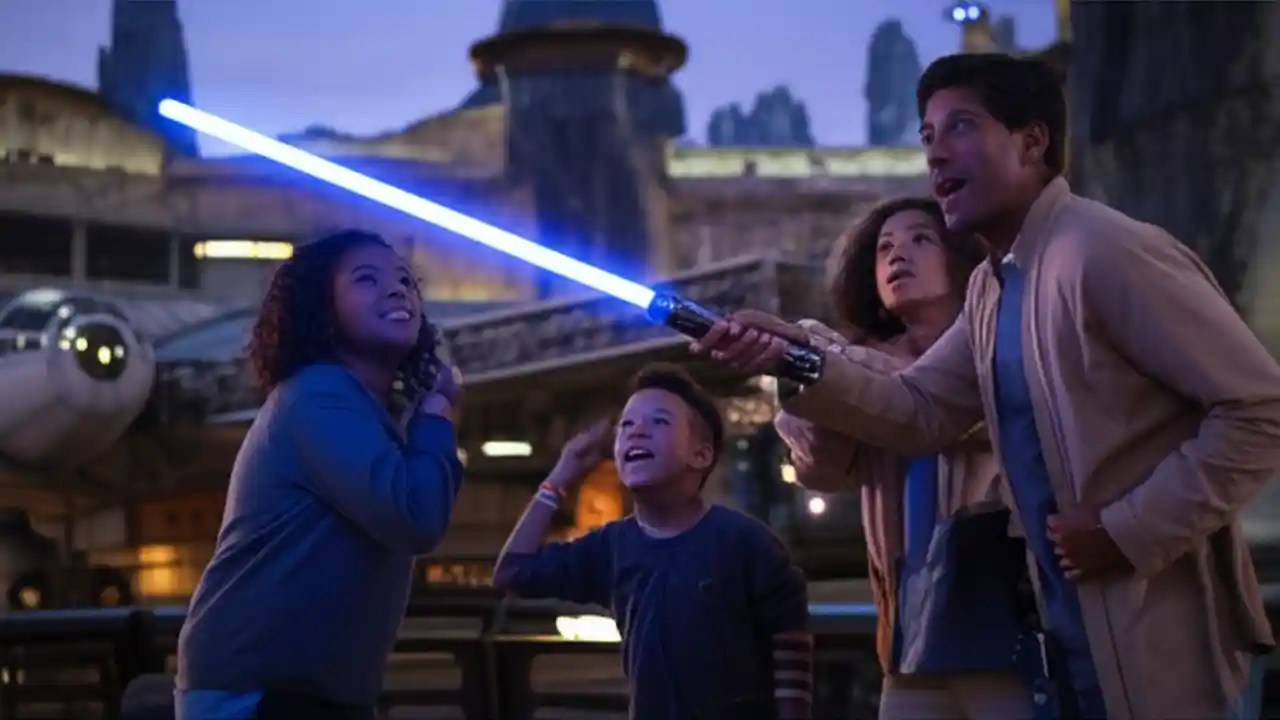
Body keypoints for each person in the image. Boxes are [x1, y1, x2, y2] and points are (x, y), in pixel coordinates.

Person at [692, 53, 1280, 720]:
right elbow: (917, 411)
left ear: (1033, 141)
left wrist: (1128, 529)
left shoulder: (1102, 251)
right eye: (927, 137)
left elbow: (1260, 408)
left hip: (1155, 641)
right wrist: (795, 357)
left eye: (961, 127)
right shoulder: (992, 288)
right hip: (1062, 644)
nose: (937, 156)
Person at [175, 230, 466, 720]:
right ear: (322, 311)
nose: (397, 291)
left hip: (301, 692)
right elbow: (415, 513)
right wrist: (436, 415)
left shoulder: (361, 408)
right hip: (262, 694)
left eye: (404, 280)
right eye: (366, 280)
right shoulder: (318, 397)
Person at [771, 196, 1034, 719]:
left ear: (962, 256)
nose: (898, 255)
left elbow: (937, 406)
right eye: (884, 248)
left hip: (1005, 632)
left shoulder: (1004, 343)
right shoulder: (854, 372)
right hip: (909, 640)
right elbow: (821, 469)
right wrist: (812, 375)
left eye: (921, 239)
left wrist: (823, 356)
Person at [492, 363, 813, 720]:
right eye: (626, 425)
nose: (636, 432)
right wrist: (561, 476)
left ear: (701, 455)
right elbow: (512, 571)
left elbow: (790, 647)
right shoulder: (611, 547)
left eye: (658, 422)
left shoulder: (747, 543)